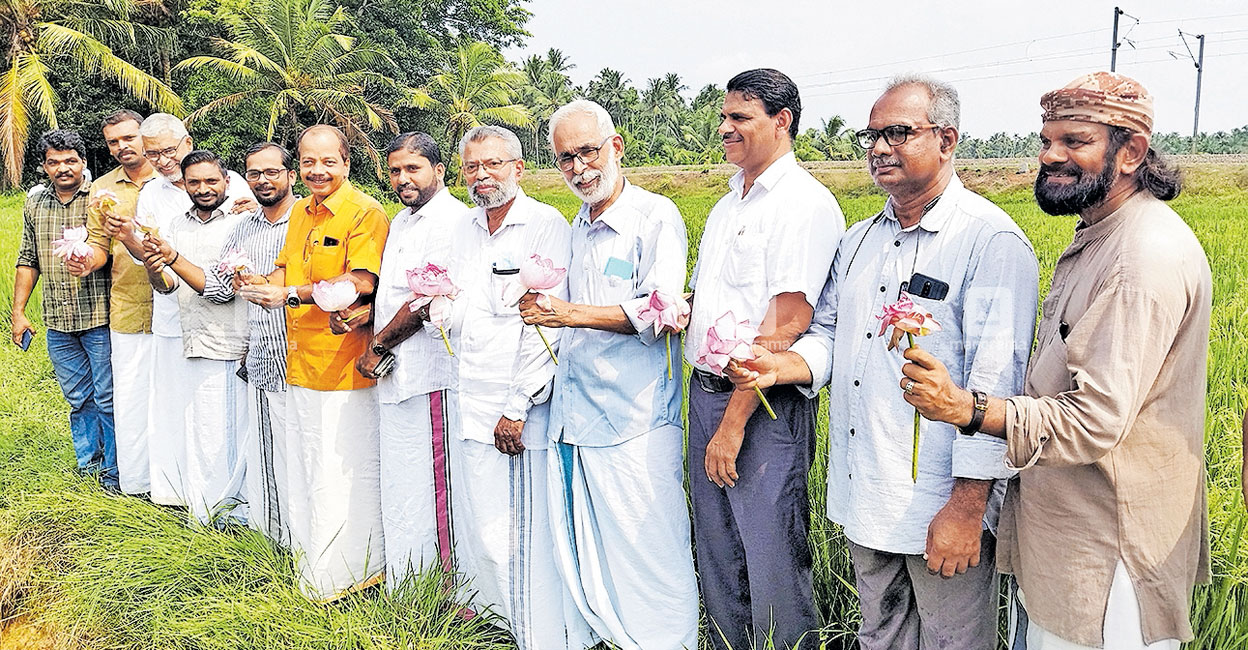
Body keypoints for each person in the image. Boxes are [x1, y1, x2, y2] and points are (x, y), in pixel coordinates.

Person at [726, 76, 1039, 650]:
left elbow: (999, 386)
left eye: (899, 132)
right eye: (870, 135)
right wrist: (781, 368)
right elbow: (828, 336)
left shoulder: (989, 241)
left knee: (953, 640)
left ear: (947, 140)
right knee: (882, 634)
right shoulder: (860, 240)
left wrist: (968, 507)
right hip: (865, 493)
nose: (879, 147)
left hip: (941, 504)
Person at [900, 72, 1211, 650]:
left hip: (1108, 556)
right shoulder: (1101, 234)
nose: (1050, 156)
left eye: (1074, 142)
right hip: (1068, 541)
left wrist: (966, 408)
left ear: (1132, 153)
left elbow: (1095, 419)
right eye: (1047, 140)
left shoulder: (1139, 257)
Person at [517, 99, 697, 649]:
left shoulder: (654, 216)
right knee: (596, 547)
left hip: (635, 416)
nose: (578, 168)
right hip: (578, 412)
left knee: (651, 548)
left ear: (616, 147)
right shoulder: (577, 222)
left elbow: (661, 310)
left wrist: (565, 313)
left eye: (588, 152)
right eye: (565, 158)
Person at [684, 68, 843, 650]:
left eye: (740, 118)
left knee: (771, 554)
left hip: (760, 409)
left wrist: (731, 425)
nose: (725, 128)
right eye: (723, 117)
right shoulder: (730, 202)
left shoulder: (802, 205)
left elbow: (785, 325)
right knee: (720, 551)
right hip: (707, 393)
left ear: (783, 122)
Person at [442, 125, 591, 650]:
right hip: (470, 393)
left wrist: (518, 405)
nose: (482, 177)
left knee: (523, 528)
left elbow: (544, 324)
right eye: (472, 167)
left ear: (518, 169)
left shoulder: (544, 226)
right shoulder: (464, 228)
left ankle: (543, 634)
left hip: (519, 404)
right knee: (482, 519)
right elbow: (460, 306)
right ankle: (498, 622)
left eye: (493, 165)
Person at [237, 124, 389, 601]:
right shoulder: (301, 211)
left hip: (343, 365)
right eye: (307, 162)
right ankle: (313, 563)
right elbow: (286, 267)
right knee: (306, 465)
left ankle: (353, 572)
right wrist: (264, 284)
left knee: (341, 470)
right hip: (297, 359)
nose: (317, 171)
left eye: (328, 162)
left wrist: (291, 295)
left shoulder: (365, 212)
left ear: (346, 164)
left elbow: (361, 281)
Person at [354, 132, 469, 584]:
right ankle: (407, 581)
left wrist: (378, 344)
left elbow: (426, 301)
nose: (403, 178)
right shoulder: (402, 220)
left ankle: (444, 591)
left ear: (439, 171)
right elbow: (395, 292)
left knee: (434, 483)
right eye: (396, 170)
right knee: (403, 480)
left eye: (413, 168)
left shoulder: (451, 222)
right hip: (397, 375)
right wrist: (361, 317)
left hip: (428, 375)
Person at [133, 113, 248, 508]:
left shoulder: (241, 210)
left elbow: (223, 287)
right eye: (154, 154)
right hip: (182, 325)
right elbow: (163, 280)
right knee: (193, 419)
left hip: (229, 334)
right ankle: (192, 499)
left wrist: (172, 257)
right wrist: (154, 265)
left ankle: (231, 507)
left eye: (210, 181)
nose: (202, 188)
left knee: (227, 424)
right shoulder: (167, 213)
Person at [199, 142, 298, 543]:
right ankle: (277, 540)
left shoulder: (310, 220)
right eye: (254, 173)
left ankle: (314, 545)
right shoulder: (243, 227)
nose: (263, 180)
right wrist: (167, 257)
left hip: (309, 358)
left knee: (308, 455)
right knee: (270, 453)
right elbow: (220, 287)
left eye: (272, 171)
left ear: (291, 175)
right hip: (263, 356)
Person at [12, 129, 117, 491]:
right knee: (78, 400)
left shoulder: (101, 199)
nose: (63, 168)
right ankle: (90, 468)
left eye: (70, 160)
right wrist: (19, 312)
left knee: (107, 398)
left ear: (84, 163)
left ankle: (117, 474)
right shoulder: (35, 203)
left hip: (100, 316)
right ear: (43, 167)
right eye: (54, 162)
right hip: (57, 321)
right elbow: (28, 259)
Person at [73, 110, 159, 497]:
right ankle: (136, 480)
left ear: (145, 137)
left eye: (129, 138)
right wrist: (85, 260)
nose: (122, 147)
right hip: (128, 306)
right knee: (131, 398)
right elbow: (99, 248)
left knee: (173, 396)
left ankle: (173, 481)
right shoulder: (103, 189)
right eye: (113, 142)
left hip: (177, 308)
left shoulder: (174, 178)